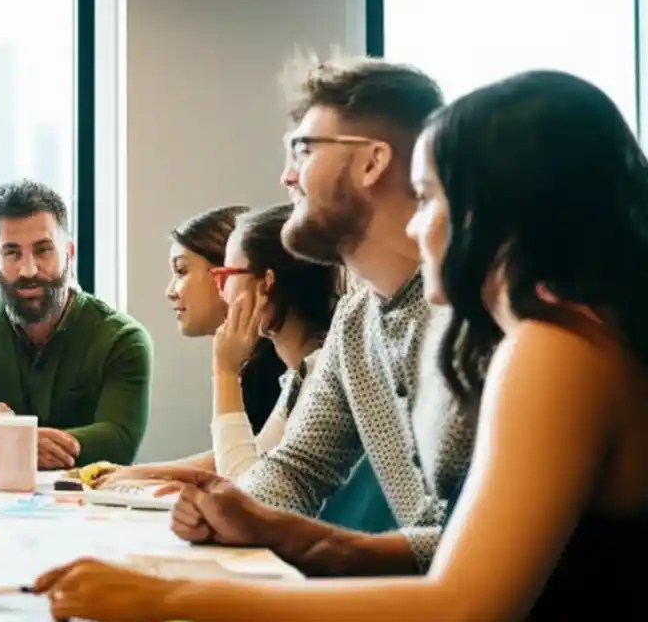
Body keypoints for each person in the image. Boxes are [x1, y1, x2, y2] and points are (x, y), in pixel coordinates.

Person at [35, 69, 648, 621]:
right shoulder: (540, 338)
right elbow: (456, 546)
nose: (415, 221)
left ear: (495, 211)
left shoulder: (551, 347)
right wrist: (277, 531)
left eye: (431, 197)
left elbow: (463, 603)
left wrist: (168, 597)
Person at [93, 203, 341, 484]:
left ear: (266, 284)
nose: (223, 292)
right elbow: (254, 466)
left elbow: (248, 488)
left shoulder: (318, 375)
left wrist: (225, 371)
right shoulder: (297, 376)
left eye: (226, 276)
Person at [0, 180, 153, 468]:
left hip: (90, 506)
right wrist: (28, 442)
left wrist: (9, 438)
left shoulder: (122, 339)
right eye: (12, 253)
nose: (28, 270)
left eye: (43, 250)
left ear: (69, 252)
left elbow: (117, 440)